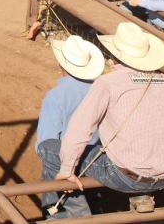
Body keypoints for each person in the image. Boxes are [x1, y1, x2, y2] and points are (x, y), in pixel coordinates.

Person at [52, 22, 164, 215]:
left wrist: (67, 170)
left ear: (114, 55)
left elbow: (80, 128)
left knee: (52, 148)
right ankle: (140, 195)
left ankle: (73, 214)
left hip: (128, 176)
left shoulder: (107, 83)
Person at [35, 35, 103, 219]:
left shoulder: (56, 97)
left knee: (58, 209)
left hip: (65, 162)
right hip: (96, 157)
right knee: (94, 201)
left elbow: (45, 143)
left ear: (61, 65)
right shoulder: (100, 90)